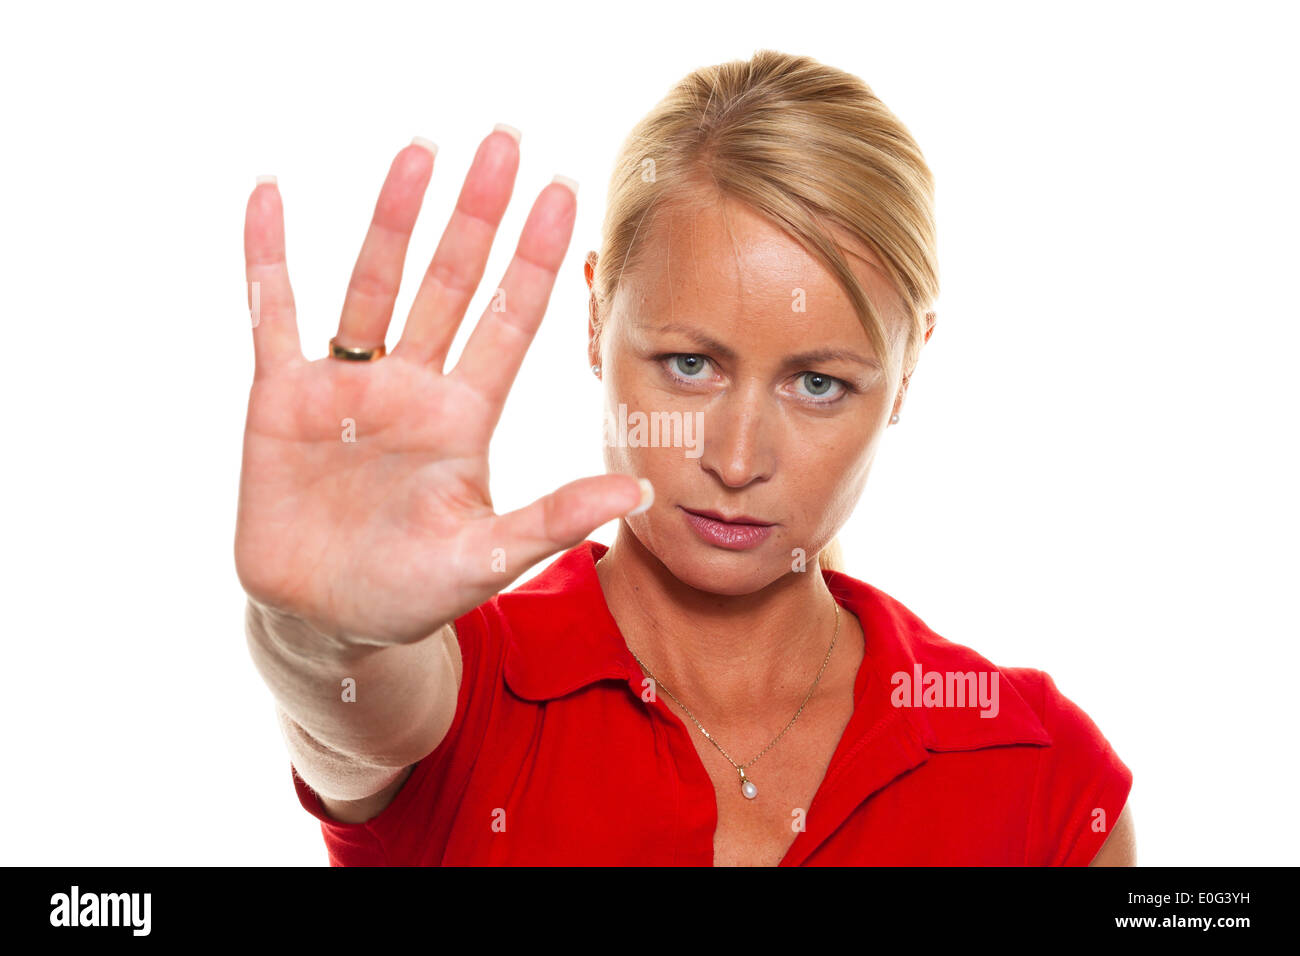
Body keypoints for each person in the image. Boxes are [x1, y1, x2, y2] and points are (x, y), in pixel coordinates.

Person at [235, 50, 1135, 866]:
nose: (737, 461)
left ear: (906, 373)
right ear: (596, 319)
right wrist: (323, 630)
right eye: (690, 365)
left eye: (818, 383)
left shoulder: (1042, 775)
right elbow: (353, 715)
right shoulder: (466, 686)